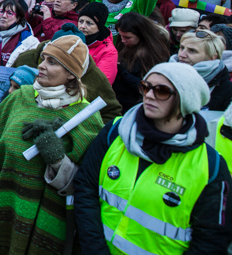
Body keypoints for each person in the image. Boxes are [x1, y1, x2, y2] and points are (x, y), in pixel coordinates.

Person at [74, 62, 232, 254]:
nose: (149, 95)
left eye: (162, 91)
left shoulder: (211, 166)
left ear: (185, 100)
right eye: (146, 87)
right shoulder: (115, 132)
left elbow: (211, 240)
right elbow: (86, 188)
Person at [0, 35, 102, 254]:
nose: (42, 65)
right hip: (1, 202)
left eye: (52, 62)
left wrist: (58, 158)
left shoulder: (86, 118)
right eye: (43, 58)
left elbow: (85, 186)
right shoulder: (21, 97)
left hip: (46, 219)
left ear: (71, 74)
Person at [0, 0, 39, 101]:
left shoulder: (29, 42)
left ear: (17, 18)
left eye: (9, 13)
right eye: (1, 11)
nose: (4, 16)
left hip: (10, 96)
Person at [114, 12, 171, 113]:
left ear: (141, 35)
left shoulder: (152, 54)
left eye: (127, 38)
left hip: (134, 105)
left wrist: (123, 71)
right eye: (121, 36)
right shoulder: (125, 45)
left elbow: (145, 87)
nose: (123, 40)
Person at [174, 30, 232, 111]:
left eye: (192, 51)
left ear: (212, 57)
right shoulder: (163, 75)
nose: (181, 54)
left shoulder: (227, 90)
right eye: (182, 48)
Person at [77, 2, 118, 84]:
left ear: (99, 26)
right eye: (81, 21)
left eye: (89, 23)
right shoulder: (72, 40)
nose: (83, 26)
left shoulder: (108, 51)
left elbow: (100, 83)